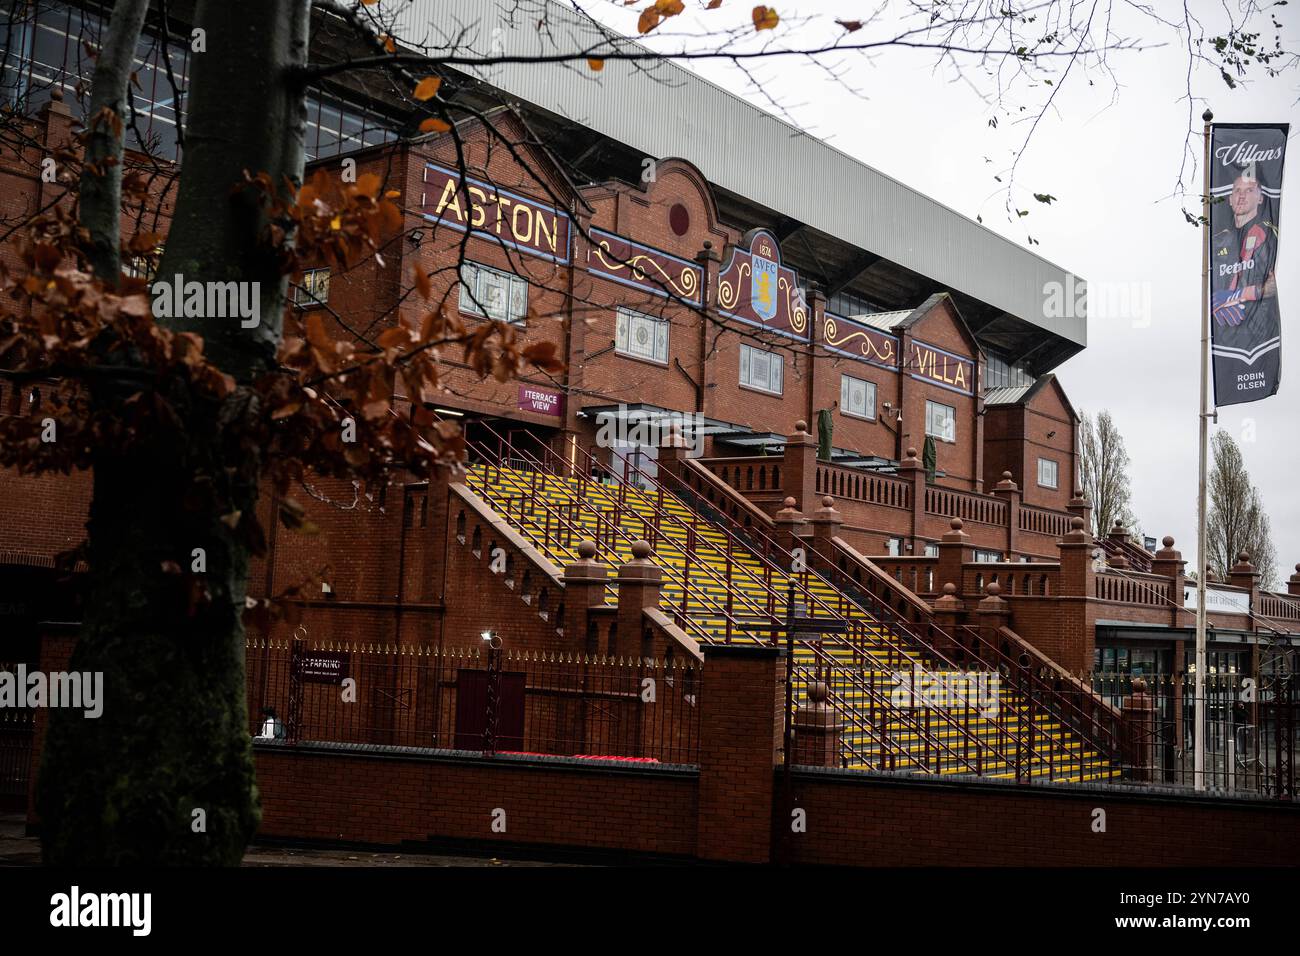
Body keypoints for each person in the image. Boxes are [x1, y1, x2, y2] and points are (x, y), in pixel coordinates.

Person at [1210, 163, 1279, 329]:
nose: (1241, 196)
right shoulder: (1218, 240)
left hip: (1260, 328)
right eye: (1237, 191)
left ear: (1260, 198)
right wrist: (1217, 303)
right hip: (1225, 330)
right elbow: (1213, 288)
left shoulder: (1268, 234)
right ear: (1230, 199)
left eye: (1249, 190)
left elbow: (1273, 286)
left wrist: (1236, 295)